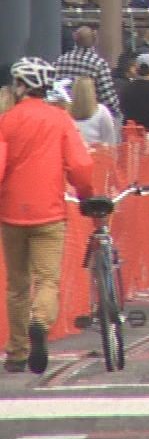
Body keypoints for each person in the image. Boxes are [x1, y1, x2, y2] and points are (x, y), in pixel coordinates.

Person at [0, 58, 96, 374]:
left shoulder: (6, 121)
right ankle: (39, 322)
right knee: (47, 280)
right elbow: (80, 166)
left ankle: (16, 352)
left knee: (16, 284)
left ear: (22, 86)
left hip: (12, 213)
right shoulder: (60, 119)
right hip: (49, 214)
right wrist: (85, 195)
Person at [53, 24, 121, 119]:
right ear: (95, 39)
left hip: (62, 117)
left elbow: (53, 92)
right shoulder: (98, 64)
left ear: (74, 38)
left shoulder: (59, 61)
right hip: (88, 119)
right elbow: (109, 100)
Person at [58, 77, 119, 149]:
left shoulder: (64, 113)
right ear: (93, 91)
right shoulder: (102, 111)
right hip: (98, 155)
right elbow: (110, 140)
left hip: (76, 154)